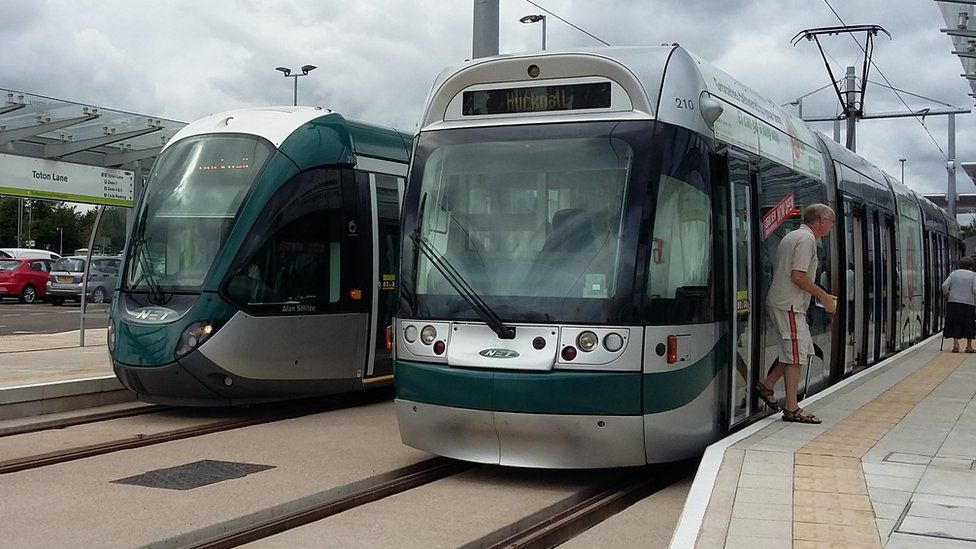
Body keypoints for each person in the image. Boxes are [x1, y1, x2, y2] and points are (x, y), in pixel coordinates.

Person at [756, 203, 836, 424]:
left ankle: (767, 385)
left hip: (789, 303)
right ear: (822, 221)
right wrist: (824, 297)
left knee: (801, 351)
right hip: (789, 304)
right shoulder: (807, 240)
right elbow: (798, 276)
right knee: (795, 355)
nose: (831, 227)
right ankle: (791, 408)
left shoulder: (792, 236)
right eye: (831, 222)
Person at [941, 255, 976, 353]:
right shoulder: (973, 275)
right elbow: (975, 289)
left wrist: (947, 295)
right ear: (971, 266)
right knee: (969, 324)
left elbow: (944, 285)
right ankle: (969, 346)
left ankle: (956, 344)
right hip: (969, 303)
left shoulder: (954, 274)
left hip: (953, 302)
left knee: (955, 322)